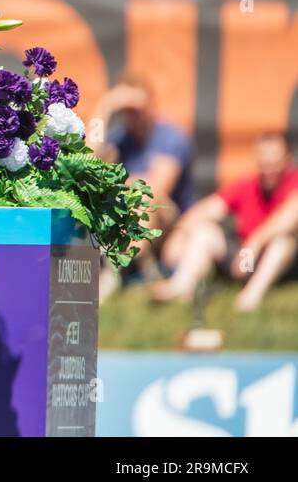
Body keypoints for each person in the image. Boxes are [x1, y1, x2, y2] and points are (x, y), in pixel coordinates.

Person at [150, 133, 298, 311]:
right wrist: (180, 232)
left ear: (287, 160)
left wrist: (255, 243)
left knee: (284, 240)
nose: (268, 169)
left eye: (273, 163)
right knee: (205, 231)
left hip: (280, 263)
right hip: (244, 260)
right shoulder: (248, 185)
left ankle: (250, 297)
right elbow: (208, 209)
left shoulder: (294, 182)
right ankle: (181, 286)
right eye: (264, 163)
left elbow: (291, 215)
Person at [93, 71, 194, 275]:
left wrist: (117, 184)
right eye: (127, 110)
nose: (133, 116)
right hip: (124, 213)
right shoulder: (119, 138)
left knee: (143, 202)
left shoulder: (170, 137)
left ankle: (121, 266)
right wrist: (104, 107)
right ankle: (125, 265)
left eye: (137, 108)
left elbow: (156, 189)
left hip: (170, 221)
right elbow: (90, 162)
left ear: (151, 103)